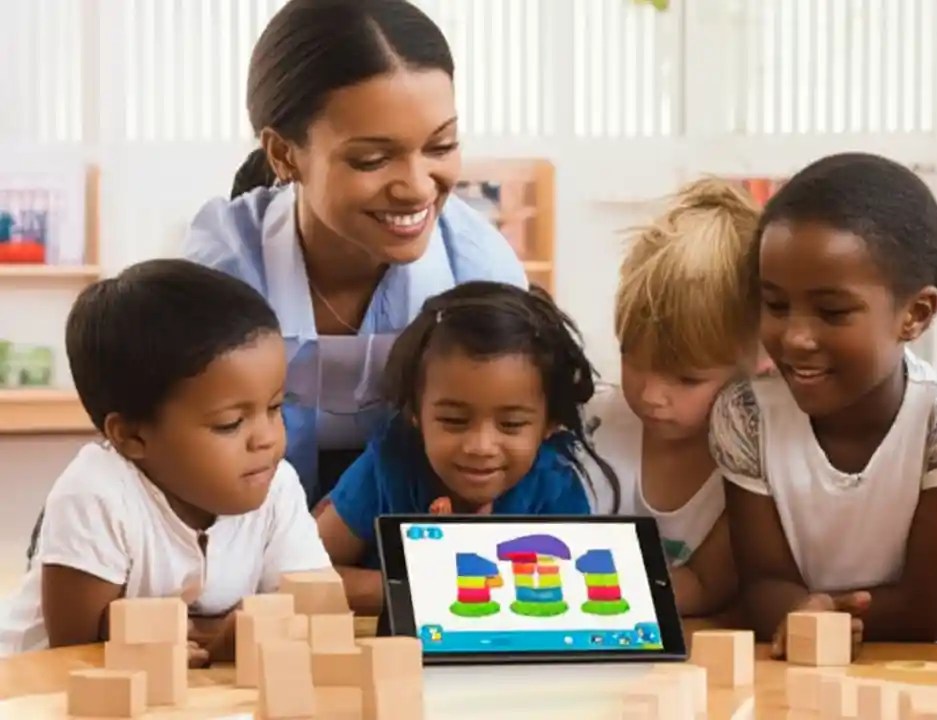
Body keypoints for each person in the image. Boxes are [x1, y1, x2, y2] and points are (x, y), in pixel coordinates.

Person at [184, 0, 527, 506]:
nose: (415, 188)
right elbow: (178, 462)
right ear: (283, 154)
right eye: (372, 159)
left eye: (440, 146)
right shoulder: (223, 272)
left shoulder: (479, 273)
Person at [709, 153, 937, 658]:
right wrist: (799, 616)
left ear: (916, 315)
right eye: (775, 305)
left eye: (832, 312)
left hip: (923, 675)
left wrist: (814, 616)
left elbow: (929, 610)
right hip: (798, 666)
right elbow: (762, 583)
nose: (795, 337)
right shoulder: (746, 415)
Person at [0, 260, 332, 661]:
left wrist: (245, 631)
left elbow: (318, 603)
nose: (266, 438)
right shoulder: (96, 494)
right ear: (131, 436)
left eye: (276, 407)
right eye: (230, 424)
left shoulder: (275, 484)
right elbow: (74, 650)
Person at [315, 281, 619, 614]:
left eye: (512, 425)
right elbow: (305, 574)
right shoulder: (390, 465)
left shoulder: (555, 484)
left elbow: (570, 596)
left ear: (550, 423)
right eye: (454, 421)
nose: (480, 446)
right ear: (415, 412)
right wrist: (426, 588)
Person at [582, 178, 759, 617]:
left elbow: (707, 583)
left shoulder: (757, 461)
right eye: (632, 358)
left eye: (686, 378)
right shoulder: (588, 428)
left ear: (757, 363)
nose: (651, 394)